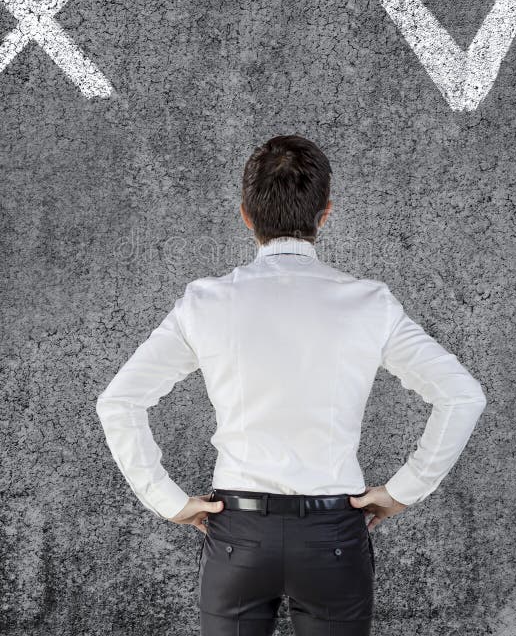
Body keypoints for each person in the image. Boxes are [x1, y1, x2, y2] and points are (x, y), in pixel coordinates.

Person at [95, 133, 487, 636]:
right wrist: (404, 490)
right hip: (333, 536)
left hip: (238, 532)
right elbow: (462, 395)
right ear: (325, 215)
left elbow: (119, 402)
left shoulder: (206, 302)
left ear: (245, 216)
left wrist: (165, 499)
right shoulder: (369, 303)